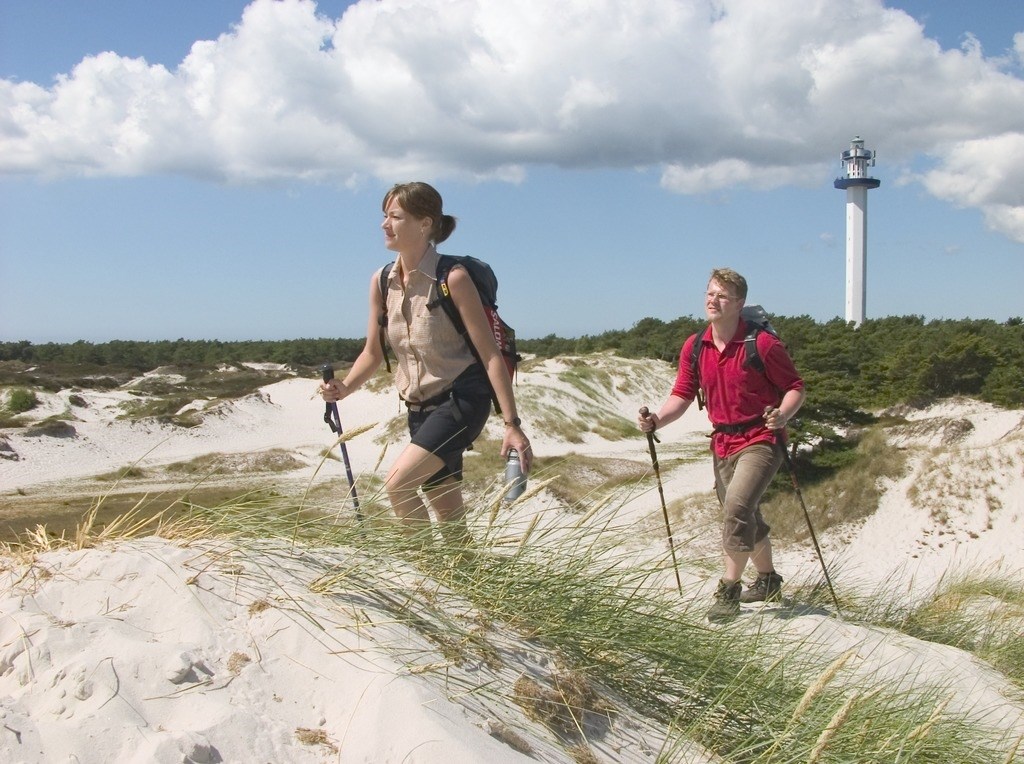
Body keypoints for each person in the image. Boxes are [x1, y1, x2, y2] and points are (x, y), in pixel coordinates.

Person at [320, 182, 531, 546]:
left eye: (395, 217)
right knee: (451, 520)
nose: (385, 225)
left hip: (461, 402)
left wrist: (512, 424)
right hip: (418, 409)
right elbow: (372, 353)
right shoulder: (382, 282)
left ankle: (425, 576)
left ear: (424, 223)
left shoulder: (453, 279)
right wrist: (345, 387)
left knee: (398, 486)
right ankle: (469, 590)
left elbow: (490, 354)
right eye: (384, 216)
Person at [638, 268, 805, 622]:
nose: (713, 300)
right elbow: (682, 395)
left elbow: (795, 387)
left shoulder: (761, 344)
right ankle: (768, 580)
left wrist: (783, 415)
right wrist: (657, 420)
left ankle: (728, 591)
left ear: (739, 303)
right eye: (710, 293)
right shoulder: (696, 346)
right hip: (723, 441)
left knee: (737, 506)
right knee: (746, 514)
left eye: (722, 296)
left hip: (762, 437)